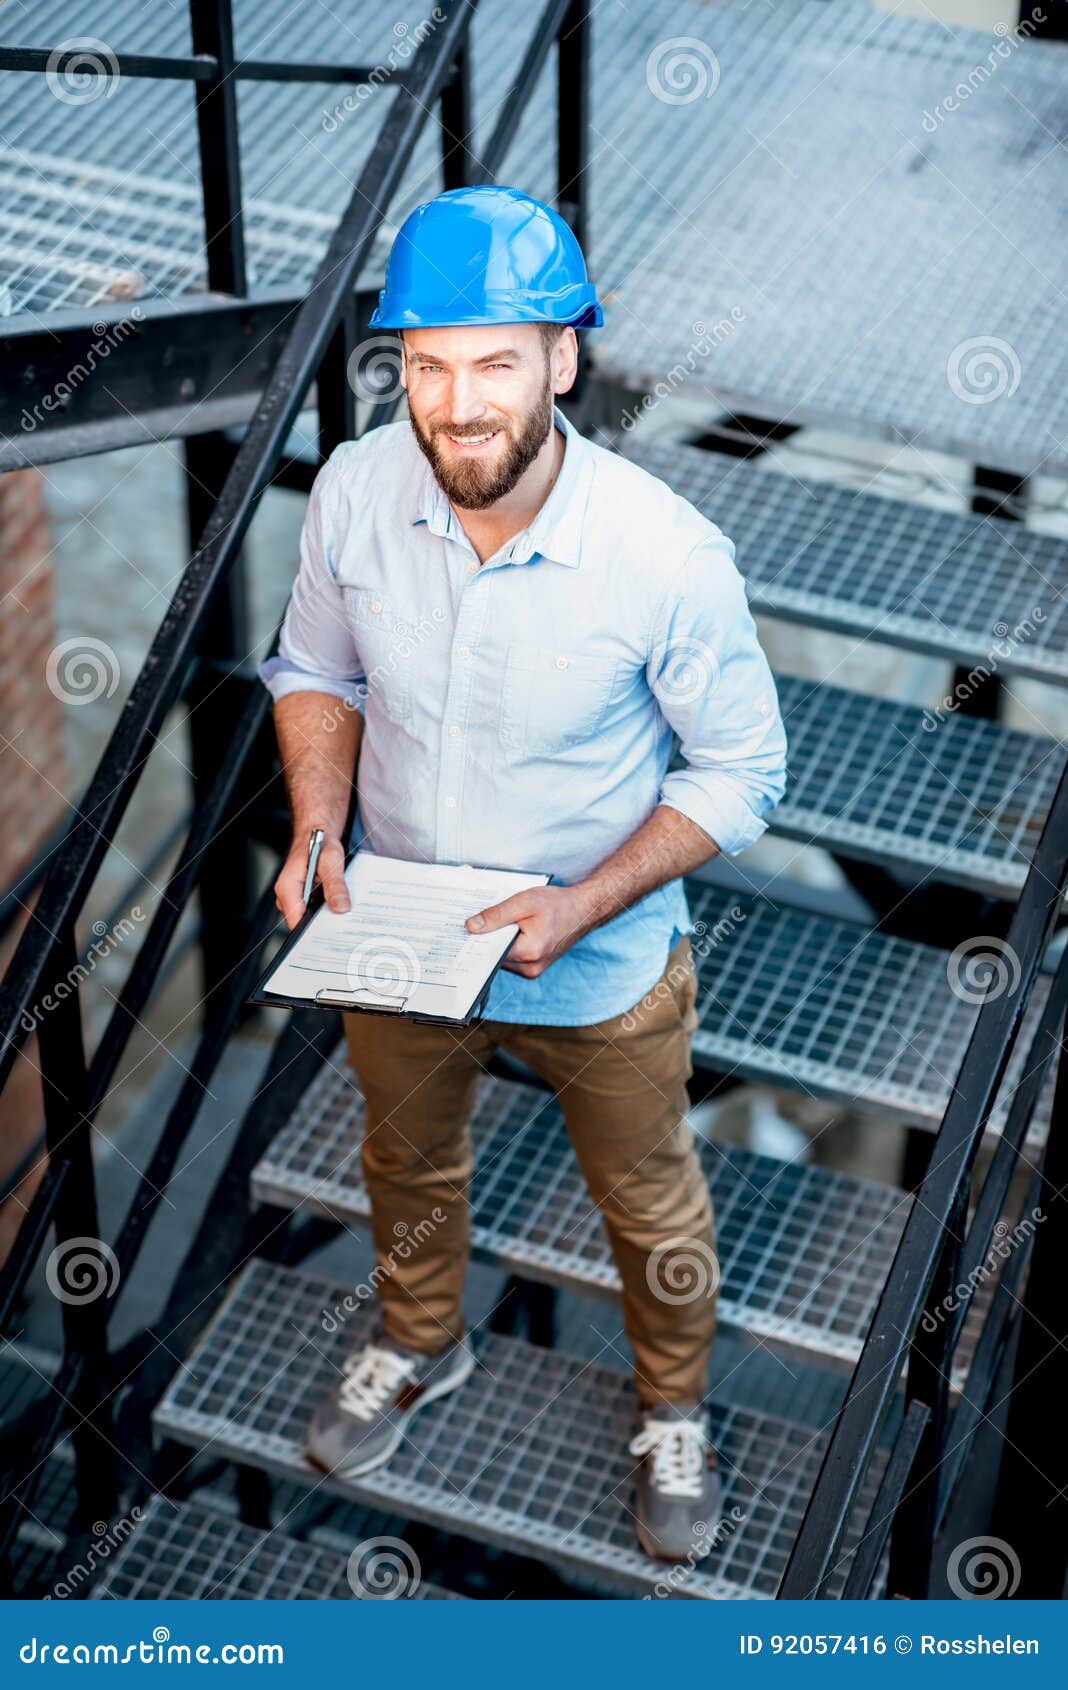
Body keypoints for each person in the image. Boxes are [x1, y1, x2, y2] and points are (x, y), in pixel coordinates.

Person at [258, 184, 788, 1563]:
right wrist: (318, 815)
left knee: (647, 1196)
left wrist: (584, 900)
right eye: (429, 366)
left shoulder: (665, 557)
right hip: (403, 927)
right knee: (406, 1157)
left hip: (600, 957)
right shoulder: (359, 490)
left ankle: (672, 1404)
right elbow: (314, 668)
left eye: (497, 362)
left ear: (566, 358)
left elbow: (740, 774)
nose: (458, 402)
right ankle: (422, 1340)